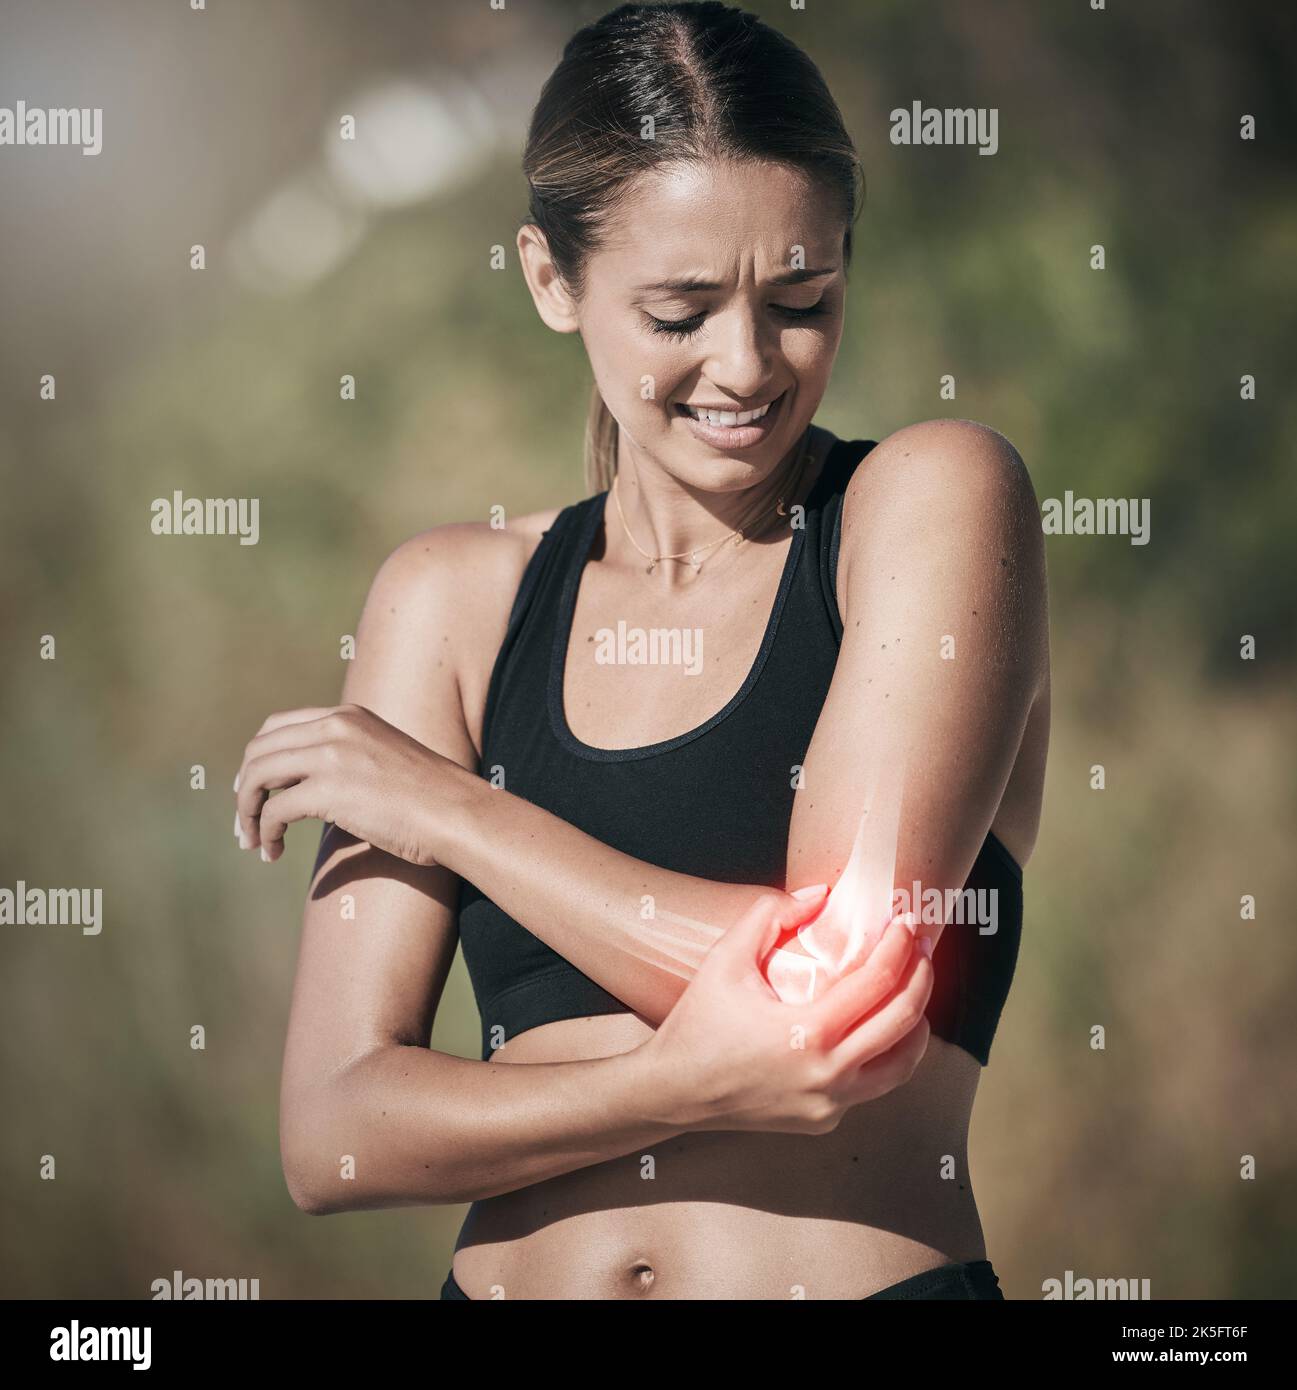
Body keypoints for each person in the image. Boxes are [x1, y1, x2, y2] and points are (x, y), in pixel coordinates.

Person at [233, 1, 1049, 1300]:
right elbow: (329, 1134)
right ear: (550, 281)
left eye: (799, 298)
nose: (745, 364)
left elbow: (833, 984)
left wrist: (454, 812)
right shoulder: (448, 602)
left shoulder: (929, 500)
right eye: (678, 311)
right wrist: (674, 1082)